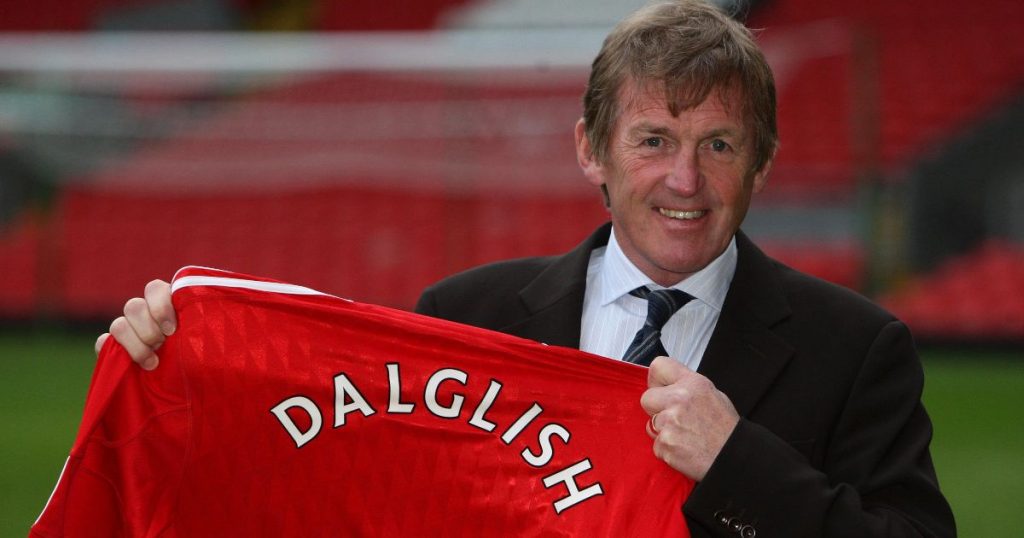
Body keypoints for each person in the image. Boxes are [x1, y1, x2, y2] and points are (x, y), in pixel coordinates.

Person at [98, 1, 955, 535]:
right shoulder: (467, 318)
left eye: (719, 146)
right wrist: (184, 367)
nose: (685, 181)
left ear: (761, 164)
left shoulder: (854, 347)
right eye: (653, 141)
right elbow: (339, 488)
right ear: (592, 151)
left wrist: (738, 463)